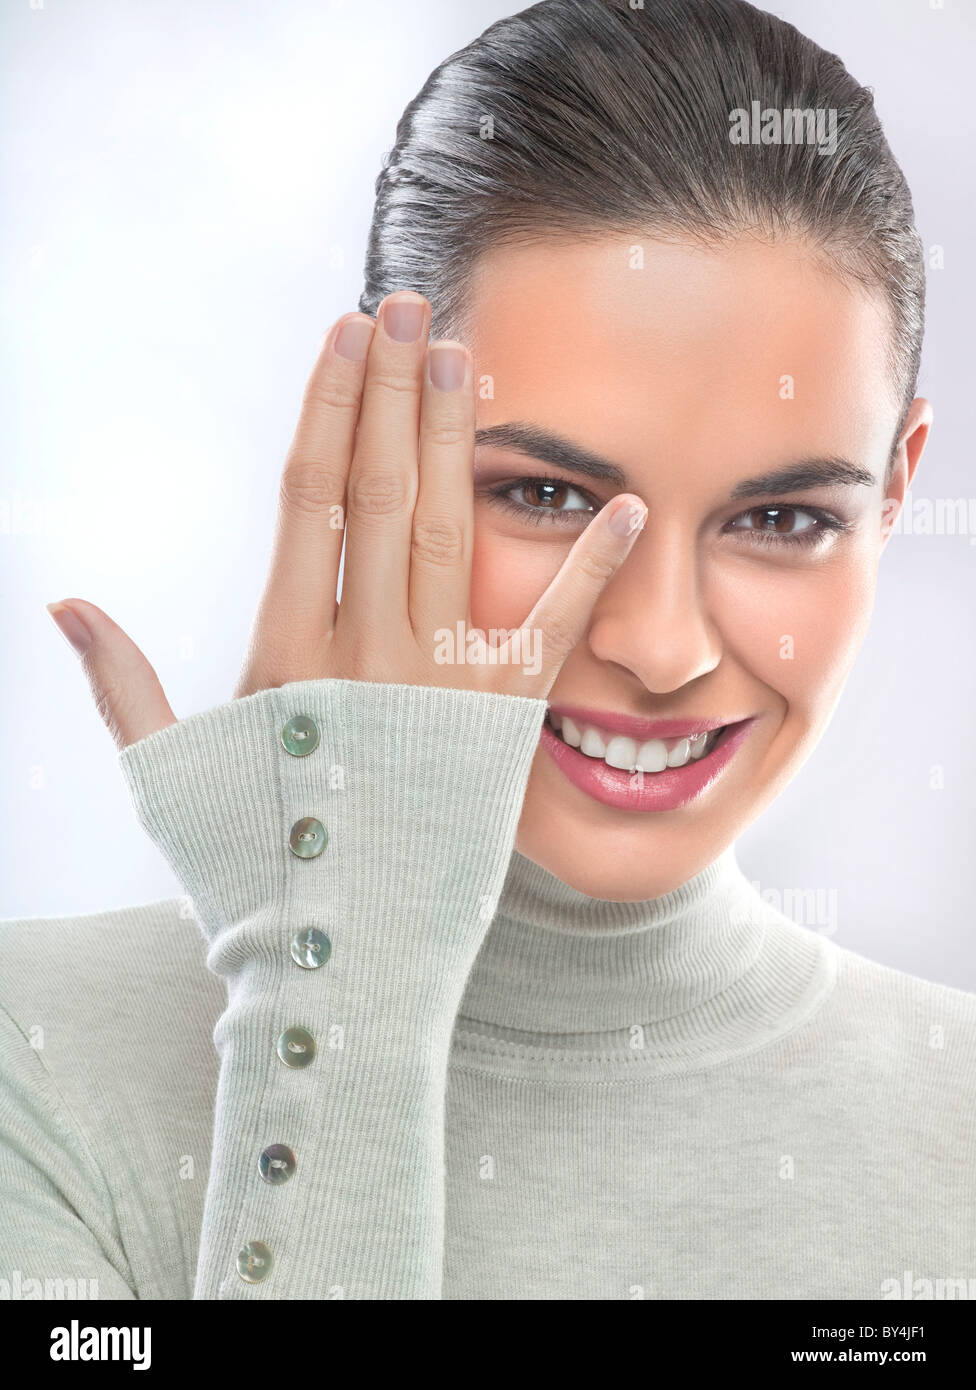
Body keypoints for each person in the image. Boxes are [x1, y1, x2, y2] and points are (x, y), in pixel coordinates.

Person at [2, 0, 973, 1301]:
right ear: (371, 449)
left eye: (784, 516)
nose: (661, 646)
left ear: (897, 491)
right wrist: (335, 990)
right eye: (549, 498)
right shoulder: (35, 1063)